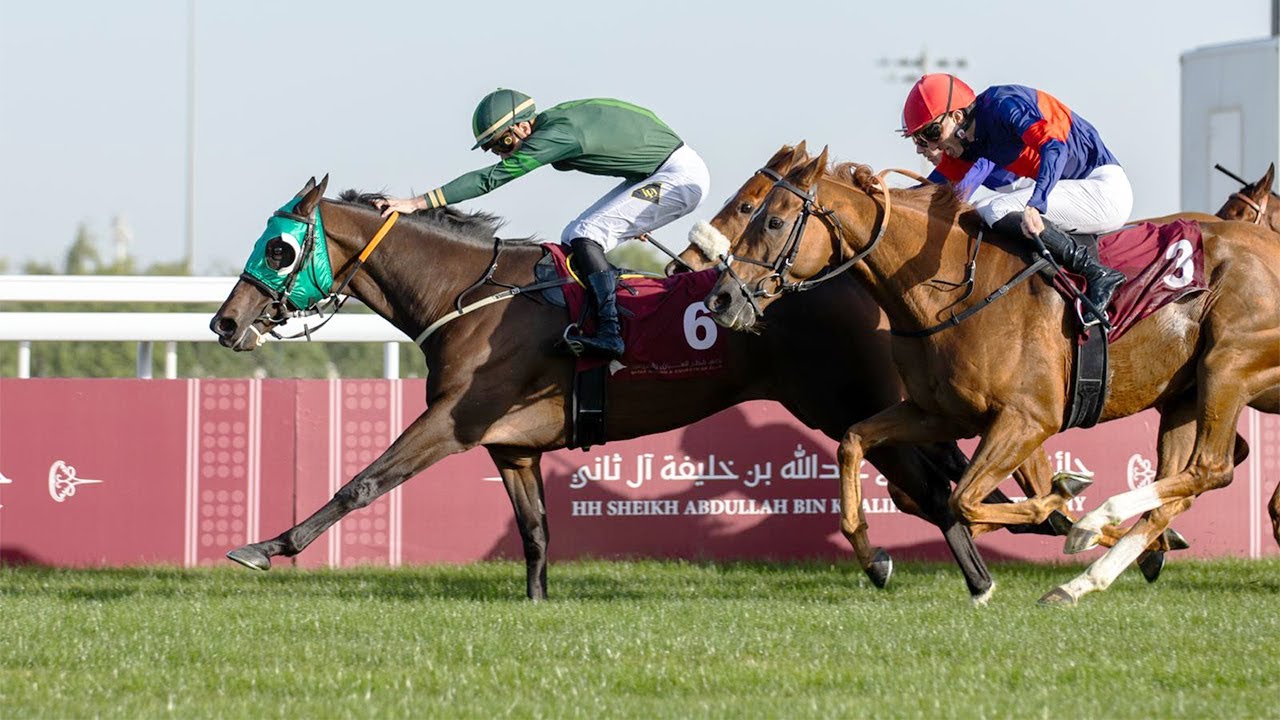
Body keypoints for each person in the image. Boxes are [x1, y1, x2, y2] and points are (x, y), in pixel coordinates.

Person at [375, 89, 711, 359]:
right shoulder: (555, 122)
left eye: (502, 143)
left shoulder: (555, 134)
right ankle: (601, 316)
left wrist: (416, 204)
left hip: (676, 176)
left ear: (522, 126)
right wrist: (639, 194)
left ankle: (611, 332)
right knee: (574, 235)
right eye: (493, 149)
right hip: (662, 171)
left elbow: (491, 180)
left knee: (586, 234)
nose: (503, 154)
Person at [901, 74, 1133, 325]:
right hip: (1076, 191)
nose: (926, 146)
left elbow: (1054, 147)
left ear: (957, 117)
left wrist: (1037, 203)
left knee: (994, 208)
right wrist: (883, 198)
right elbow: (934, 192)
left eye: (931, 133)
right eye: (919, 140)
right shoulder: (970, 143)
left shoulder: (1003, 105)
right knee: (978, 211)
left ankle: (1096, 273)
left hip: (1103, 190)